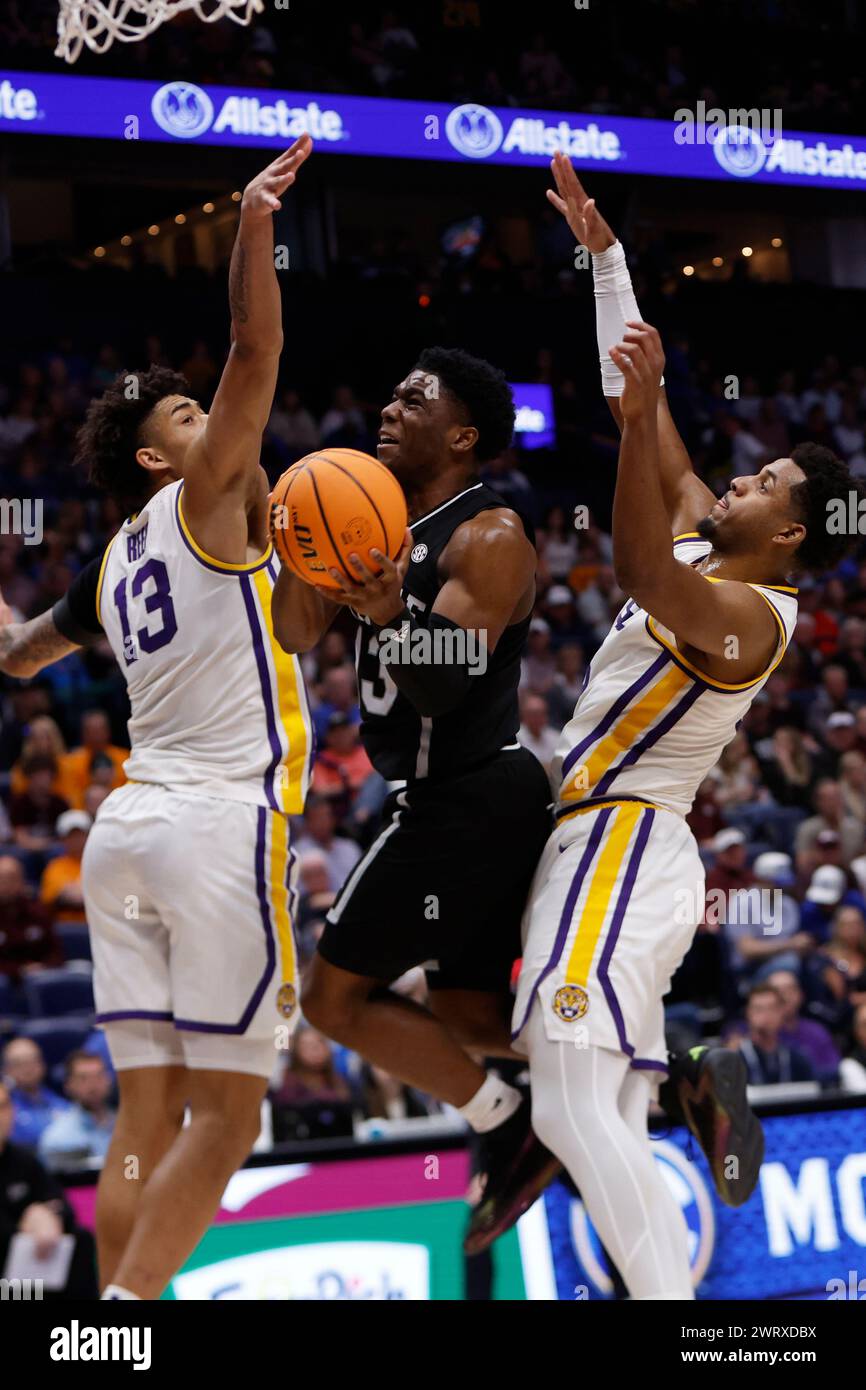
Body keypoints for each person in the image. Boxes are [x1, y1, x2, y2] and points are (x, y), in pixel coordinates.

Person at [507, 155, 862, 1297]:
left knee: (565, 1095)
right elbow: (636, 396)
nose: (738, 481)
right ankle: (688, 1083)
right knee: (589, 1099)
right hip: (609, 845)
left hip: (621, 838)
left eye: (761, 481)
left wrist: (641, 422)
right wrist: (605, 262)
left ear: (789, 533)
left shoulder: (748, 614)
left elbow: (636, 563)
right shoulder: (719, 542)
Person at [0, 136, 314, 1300]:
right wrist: (249, 220)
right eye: (187, 414)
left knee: (147, 1110)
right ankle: (125, 1325)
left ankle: (103, 1315)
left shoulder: (103, 570)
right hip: (217, 826)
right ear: (155, 454)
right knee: (228, 1116)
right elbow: (255, 345)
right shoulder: (204, 498)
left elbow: (16, 658)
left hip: (125, 836)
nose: (210, 417)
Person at [272, 343, 556, 1234]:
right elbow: (289, 626)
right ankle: (661, 1064)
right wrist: (306, 541)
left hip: (468, 794)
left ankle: (509, 1127)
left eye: (413, 399)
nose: (388, 408)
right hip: (456, 800)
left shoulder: (491, 534)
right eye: (390, 395)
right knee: (467, 1011)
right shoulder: (377, 517)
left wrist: (392, 609)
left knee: (328, 998)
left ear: (463, 434)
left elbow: (449, 683)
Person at [0, 1081, 98, 1300]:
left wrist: (48, 1217)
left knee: (81, 1240)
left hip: (35, 1255)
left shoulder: (23, 1159)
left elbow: (59, 1202)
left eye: (4, 1106)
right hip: (9, 1262)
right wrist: (25, 1225)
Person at [38, 1052, 115, 1170]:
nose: (93, 1085)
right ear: (68, 1085)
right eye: (83, 1078)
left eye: (99, 1076)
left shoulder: (129, 1127)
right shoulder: (57, 1139)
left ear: (108, 1079)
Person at [732, 985, 816, 1086]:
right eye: (759, 1009)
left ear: (781, 1012)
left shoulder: (797, 1060)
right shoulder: (735, 1060)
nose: (766, 1015)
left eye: (772, 1008)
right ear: (748, 1013)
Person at [2, 1037, 71, 1152]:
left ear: (43, 1064)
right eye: (19, 1063)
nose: (28, 1068)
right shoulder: (4, 1107)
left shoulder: (63, 1105)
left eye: (33, 1061)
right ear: (6, 1070)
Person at [0, 856, 62, 983]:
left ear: (22, 881)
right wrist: (19, 970)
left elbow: (55, 952)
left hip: (40, 977)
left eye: (11, 878)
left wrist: (43, 967)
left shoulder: (38, 912)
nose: (6, 884)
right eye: (1, 879)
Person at [39, 810, 91, 926]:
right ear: (62, 839)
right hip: (64, 924)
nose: (76, 840)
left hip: (96, 926)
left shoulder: (100, 865)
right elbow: (52, 898)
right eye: (71, 836)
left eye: (80, 834)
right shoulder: (55, 867)